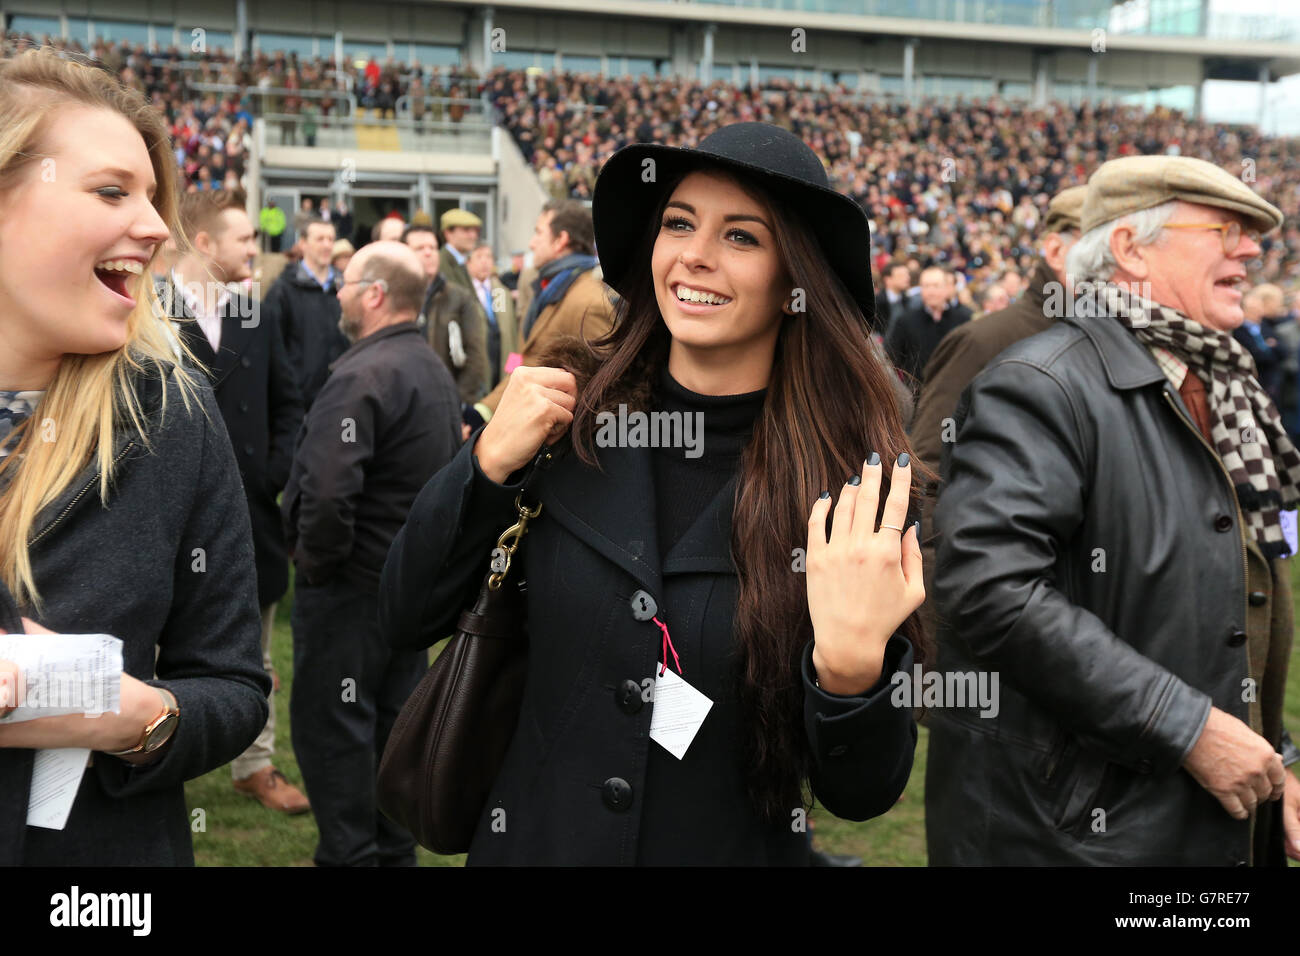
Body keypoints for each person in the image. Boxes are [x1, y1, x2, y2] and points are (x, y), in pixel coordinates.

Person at [379, 121, 923, 865]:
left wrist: (854, 675)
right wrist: (483, 471)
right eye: (678, 223)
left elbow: (862, 793)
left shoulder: (851, 491)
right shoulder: (559, 426)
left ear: (795, 279)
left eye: (741, 237)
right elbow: (405, 612)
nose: (695, 254)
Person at [928, 155, 1300, 866]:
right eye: (1227, 230)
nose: (1252, 249)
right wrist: (1188, 729)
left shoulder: (1224, 388)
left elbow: (1230, 614)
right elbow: (987, 590)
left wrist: (1269, 758)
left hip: (1205, 820)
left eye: (1253, 233)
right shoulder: (1041, 383)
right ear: (1130, 249)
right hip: (1070, 836)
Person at [0, 47, 269, 865]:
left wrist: (121, 716)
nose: (156, 229)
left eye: (154, 197)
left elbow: (234, 686)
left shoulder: (173, 415)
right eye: (113, 191)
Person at [281, 241, 462, 867]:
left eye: (348, 281)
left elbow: (327, 496)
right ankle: (386, 854)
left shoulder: (363, 374)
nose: (338, 292)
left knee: (337, 734)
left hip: (354, 594)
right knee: (388, 730)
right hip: (404, 592)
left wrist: (321, 569)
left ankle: (353, 856)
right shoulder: (427, 367)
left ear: (376, 294)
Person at [161, 189, 309, 815]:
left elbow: (288, 402)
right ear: (205, 243)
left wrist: (271, 474)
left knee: (253, 643)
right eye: (245, 238)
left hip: (249, 515)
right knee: (154, 640)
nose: (257, 247)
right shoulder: (148, 313)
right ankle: (152, 754)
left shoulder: (256, 314)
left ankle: (255, 763)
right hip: (164, 521)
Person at [471, 199, 615, 424]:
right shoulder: (544, 290)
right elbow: (520, 363)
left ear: (561, 240)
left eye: (538, 233)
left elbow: (609, 391)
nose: (531, 243)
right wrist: (483, 410)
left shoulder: (590, 302)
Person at [262, 215, 347, 412]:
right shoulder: (282, 289)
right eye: (320, 239)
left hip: (342, 398)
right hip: (299, 404)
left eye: (331, 239)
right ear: (302, 244)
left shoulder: (346, 287)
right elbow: (274, 346)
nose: (327, 245)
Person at [403, 223, 489, 405]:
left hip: (446, 400)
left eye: (433, 247)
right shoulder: (395, 298)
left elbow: (475, 357)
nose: (428, 253)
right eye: (420, 248)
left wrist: (457, 403)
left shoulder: (460, 297)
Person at [883, 265, 972, 390]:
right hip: (917, 396)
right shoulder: (906, 320)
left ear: (947, 288)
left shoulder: (963, 318)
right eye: (926, 286)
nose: (931, 291)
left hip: (953, 394)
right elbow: (892, 357)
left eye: (936, 285)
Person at [467, 241, 517, 390]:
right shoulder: (464, 293)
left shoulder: (501, 292)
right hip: (478, 367)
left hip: (501, 361)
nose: (485, 262)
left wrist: (514, 368)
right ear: (468, 263)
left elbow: (512, 333)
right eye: (479, 257)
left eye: (488, 257)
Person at [438, 208, 480, 291]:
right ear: (448, 233)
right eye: (466, 230)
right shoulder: (441, 262)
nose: (473, 236)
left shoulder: (459, 260)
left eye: (475, 230)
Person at [873, 260, 918, 337]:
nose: (907, 278)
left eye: (907, 274)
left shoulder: (908, 300)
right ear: (888, 280)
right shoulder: (877, 303)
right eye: (901, 275)